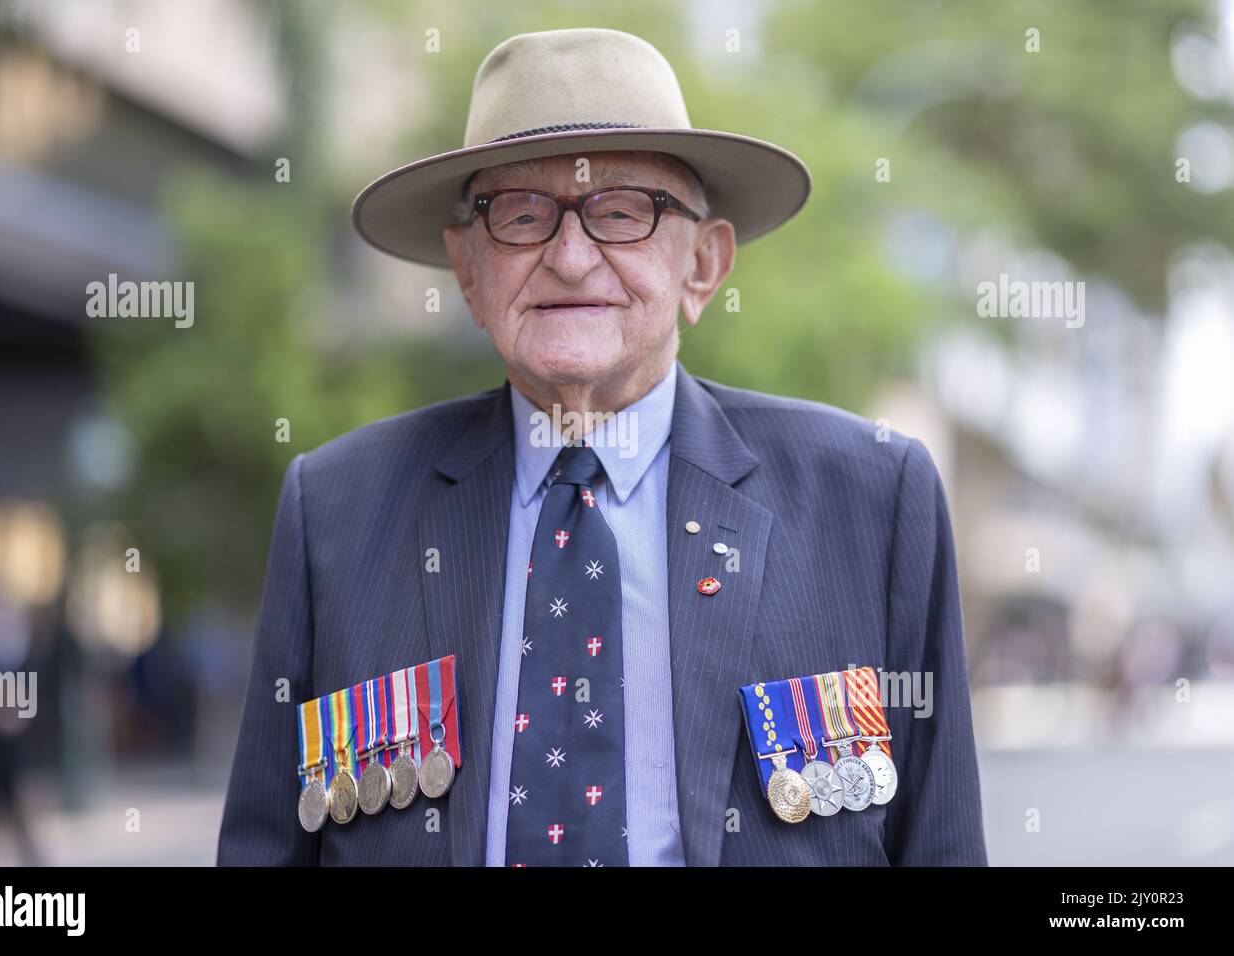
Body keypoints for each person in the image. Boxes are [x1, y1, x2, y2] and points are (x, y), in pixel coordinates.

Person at [217, 27, 987, 866]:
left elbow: (942, 847)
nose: (572, 258)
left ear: (703, 265)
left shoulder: (872, 498)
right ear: (469, 272)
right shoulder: (335, 508)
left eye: (623, 212)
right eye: (520, 216)